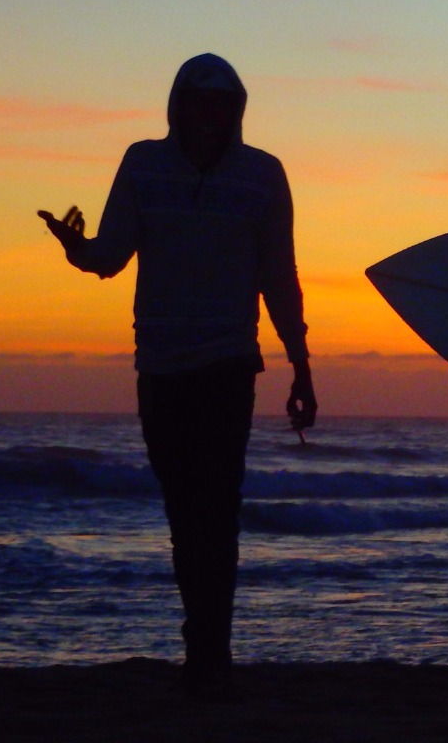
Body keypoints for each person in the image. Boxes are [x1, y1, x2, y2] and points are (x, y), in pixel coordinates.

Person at [38, 52, 316, 699]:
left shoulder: (263, 176)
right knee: (182, 511)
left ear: (236, 109)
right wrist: (75, 247)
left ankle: (210, 653)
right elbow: (111, 257)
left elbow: (280, 277)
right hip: (161, 365)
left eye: (223, 102)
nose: (210, 113)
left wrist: (301, 366)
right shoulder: (143, 164)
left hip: (228, 365)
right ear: (179, 105)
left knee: (215, 510)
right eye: (199, 100)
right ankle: (205, 645)